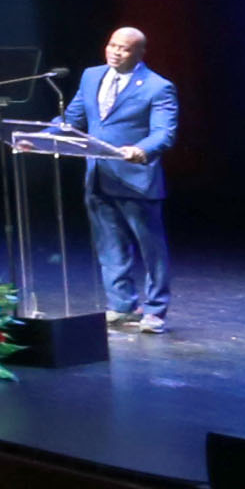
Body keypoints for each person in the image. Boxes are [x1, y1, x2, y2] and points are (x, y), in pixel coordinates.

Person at [72, 25, 179, 333]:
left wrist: (140, 149)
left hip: (135, 179)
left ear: (140, 53)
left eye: (124, 48)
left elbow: (164, 133)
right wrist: (37, 136)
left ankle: (155, 310)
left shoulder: (158, 87)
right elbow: (73, 118)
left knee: (151, 249)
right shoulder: (91, 76)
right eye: (112, 45)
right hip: (98, 176)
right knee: (109, 246)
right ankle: (122, 306)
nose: (115, 52)